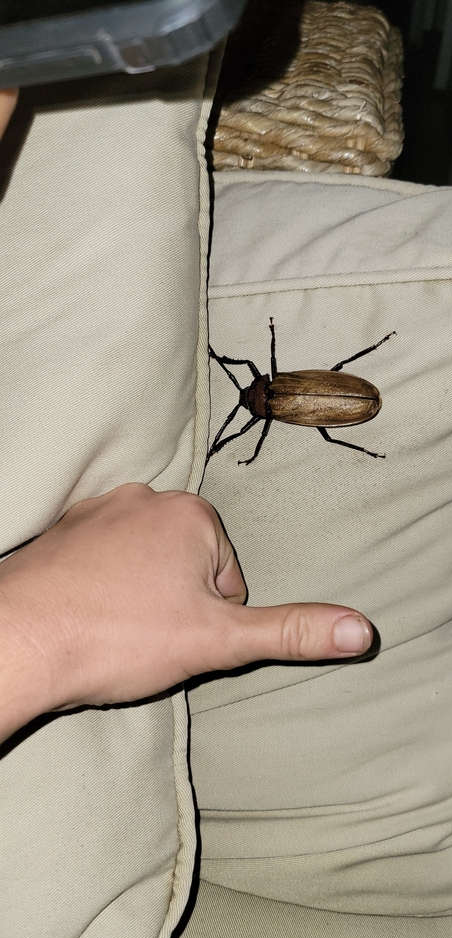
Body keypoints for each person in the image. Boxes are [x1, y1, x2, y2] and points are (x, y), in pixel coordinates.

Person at [0, 89, 373, 745]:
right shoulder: (279, 391)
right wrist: (42, 631)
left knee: (282, 378)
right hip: (326, 400)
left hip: (338, 397)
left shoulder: (273, 395)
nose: (248, 393)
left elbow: (249, 376)